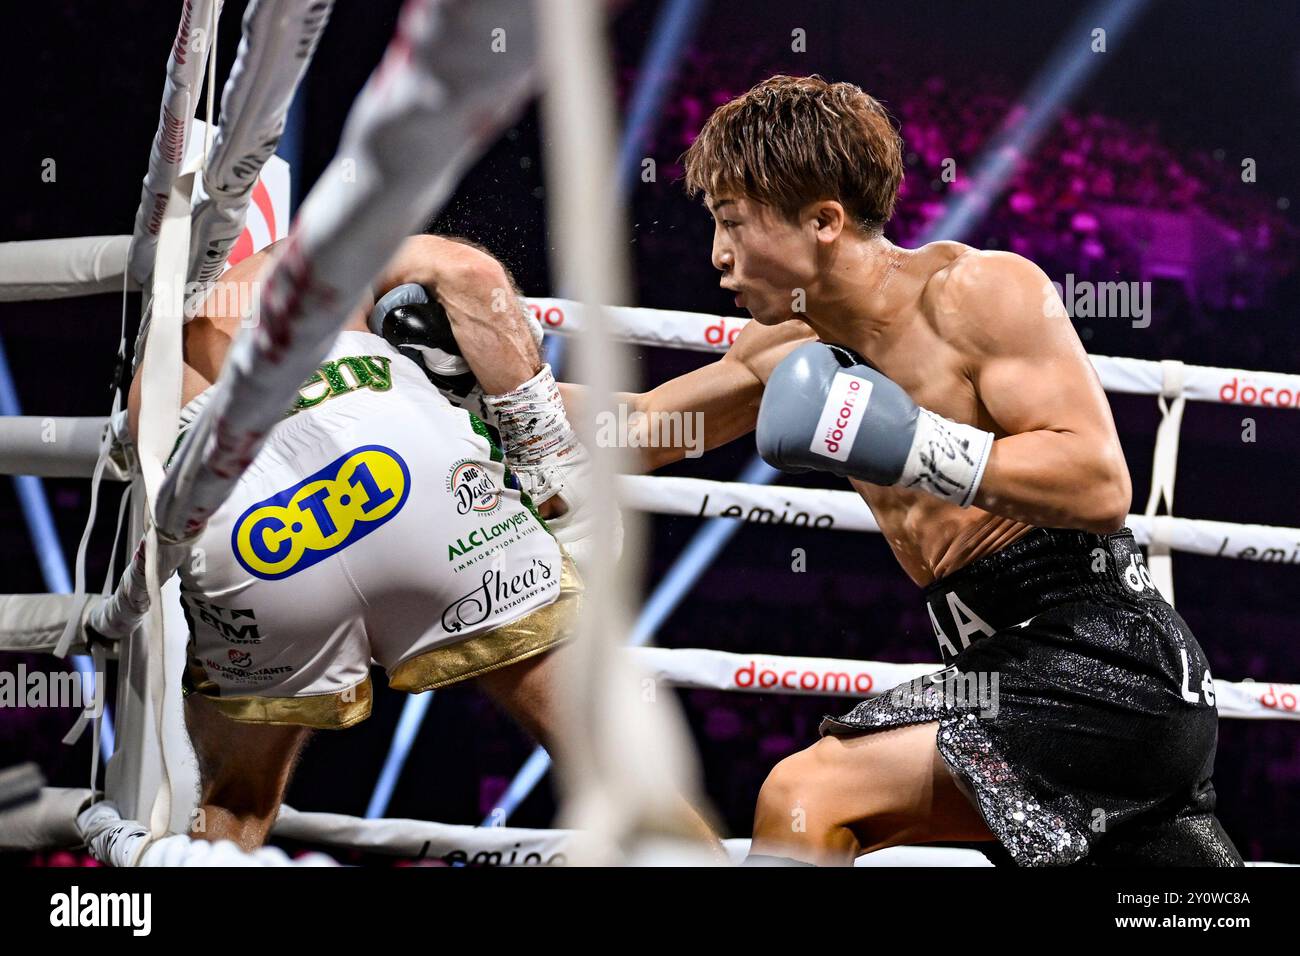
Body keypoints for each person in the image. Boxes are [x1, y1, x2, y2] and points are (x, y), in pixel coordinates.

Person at [603, 74, 1240, 866]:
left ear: (825, 221)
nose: (717, 256)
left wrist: (914, 445)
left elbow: (1100, 482)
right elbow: (637, 427)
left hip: (1103, 659)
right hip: (992, 668)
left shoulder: (979, 292)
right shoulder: (784, 349)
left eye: (733, 222)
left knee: (803, 798)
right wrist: (480, 384)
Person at [126, 235, 597, 850]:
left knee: (235, 801)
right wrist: (549, 460)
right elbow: (470, 271)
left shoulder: (155, 362)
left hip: (248, 527)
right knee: (602, 753)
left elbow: (157, 489)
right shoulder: (325, 245)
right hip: (406, 475)